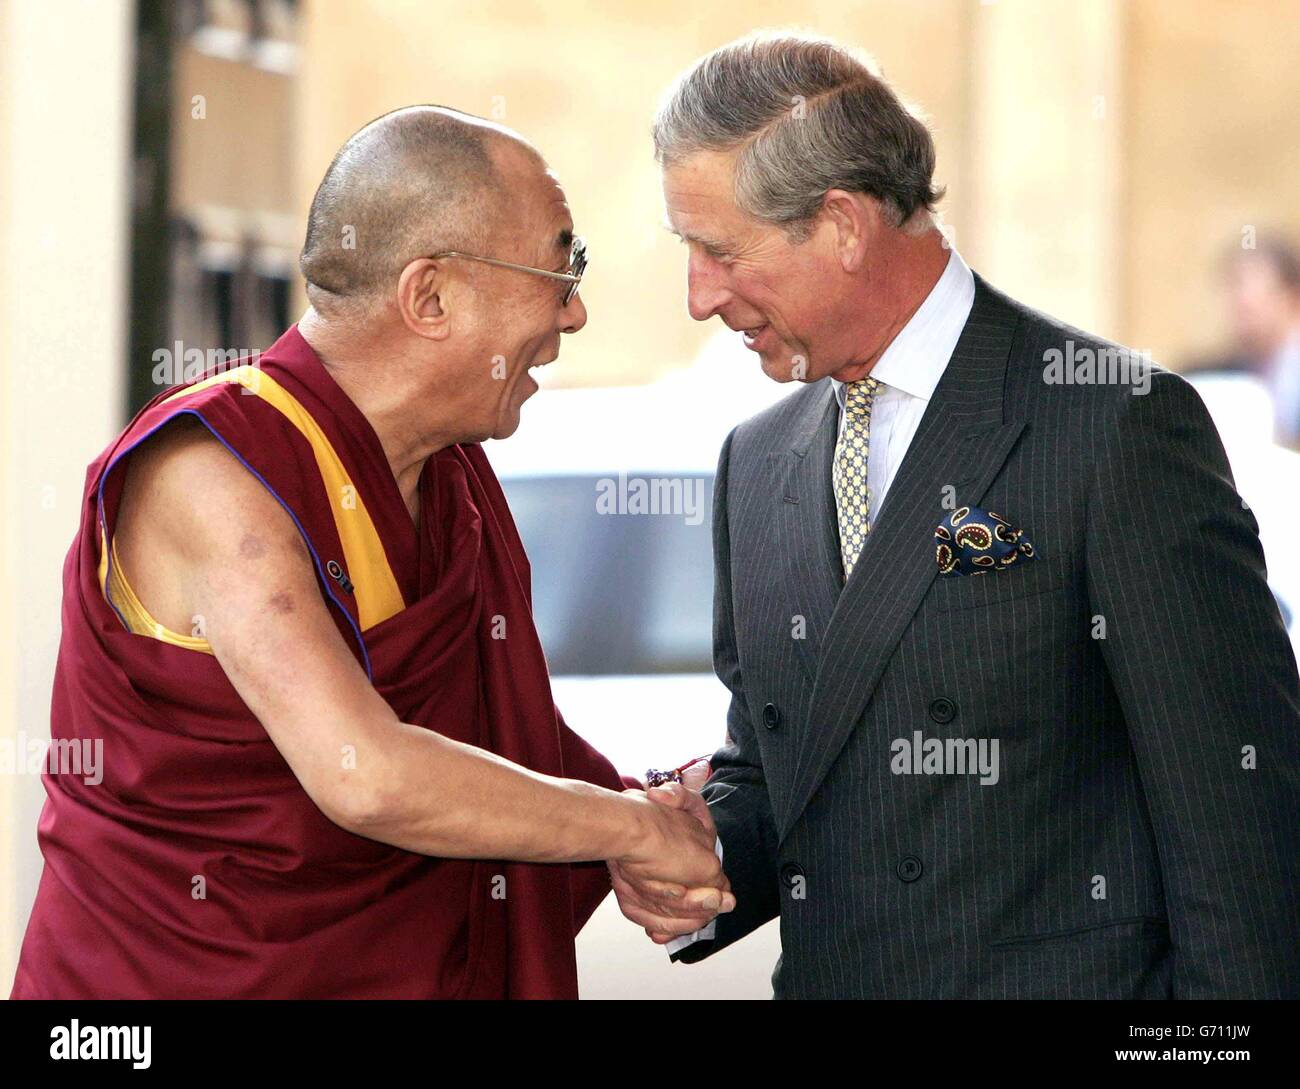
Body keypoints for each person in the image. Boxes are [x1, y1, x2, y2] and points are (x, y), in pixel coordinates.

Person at [613, 33, 1300, 998]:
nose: (697, 296)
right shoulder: (755, 461)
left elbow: (1242, 819)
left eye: (719, 251)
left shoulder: (1113, 426)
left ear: (843, 225)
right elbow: (788, 773)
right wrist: (701, 852)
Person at [12, 106, 730, 1000]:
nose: (574, 312)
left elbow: (494, 736)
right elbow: (364, 773)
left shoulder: (451, 475)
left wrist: (649, 803)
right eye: (560, 267)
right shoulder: (214, 470)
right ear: (429, 296)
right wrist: (627, 828)